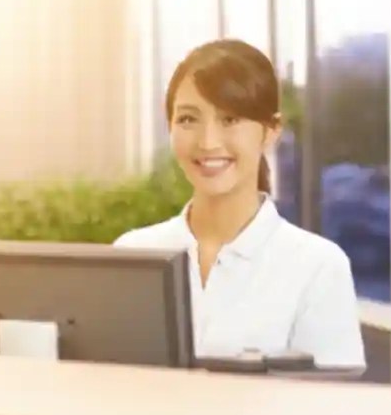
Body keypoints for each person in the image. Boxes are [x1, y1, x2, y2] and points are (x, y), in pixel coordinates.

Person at [115, 39, 365, 370]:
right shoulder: (133, 254)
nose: (208, 142)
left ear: (271, 131)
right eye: (189, 119)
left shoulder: (317, 267)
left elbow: (333, 409)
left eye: (230, 120)